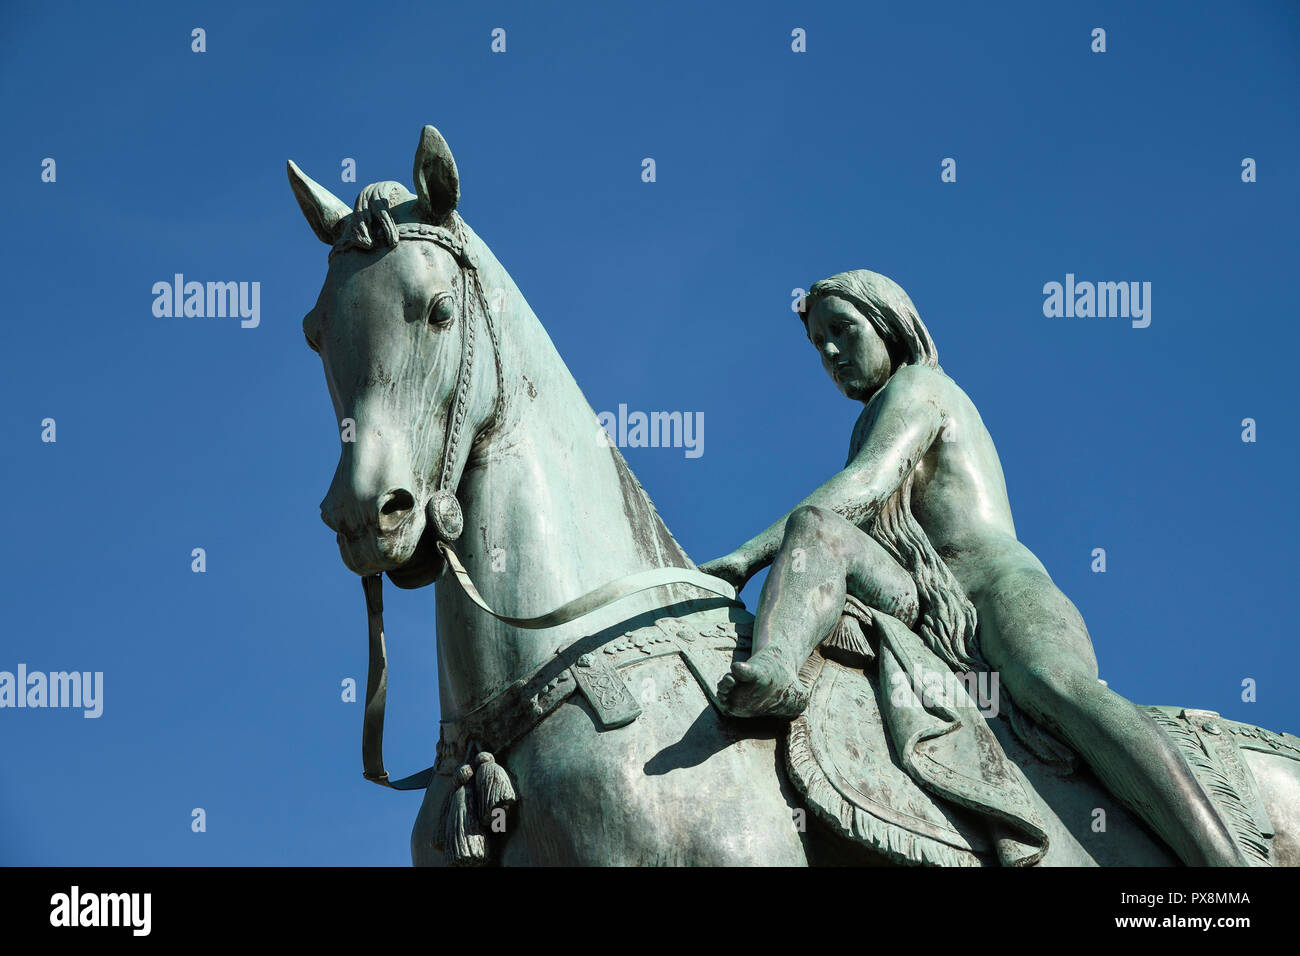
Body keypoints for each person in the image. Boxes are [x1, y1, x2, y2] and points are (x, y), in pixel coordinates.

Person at [702, 269, 1247, 866]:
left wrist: (741, 559)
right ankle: (777, 669)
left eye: (842, 329)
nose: (830, 351)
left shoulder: (918, 388)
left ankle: (1222, 866)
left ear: (889, 325)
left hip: (998, 589)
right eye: (818, 344)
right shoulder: (871, 414)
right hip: (928, 600)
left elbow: (868, 482)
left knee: (1055, 684)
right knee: (817, 531)